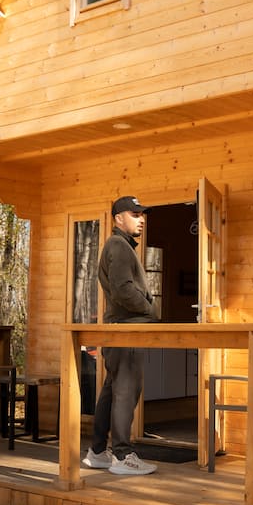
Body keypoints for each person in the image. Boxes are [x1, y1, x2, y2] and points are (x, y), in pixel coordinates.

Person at [83, 195, 159, 475]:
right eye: (135, 214)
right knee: (126, 391)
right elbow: (123, 290)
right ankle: (123, 456)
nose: (141, 219)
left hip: (119, 329)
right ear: (118, 218)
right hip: (126, 330)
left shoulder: (120, 245)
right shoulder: (118, 245)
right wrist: (150, 309)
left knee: (112, 390)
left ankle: (98, 452)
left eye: (142, 214)